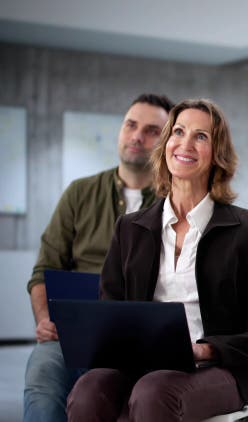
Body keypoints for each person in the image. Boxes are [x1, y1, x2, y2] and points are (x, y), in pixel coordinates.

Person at [65, 99, 248, 421]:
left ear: (217, 153)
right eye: (178, 132)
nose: (185, 144)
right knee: (88, 389)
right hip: (140, 366)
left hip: (218, 370)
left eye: (201, 136)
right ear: (166, 143)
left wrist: (206, 349)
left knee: (154, 391)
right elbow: (109, 310)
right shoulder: (129, 228)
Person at [23, 93, 173, 422]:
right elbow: (43, 270)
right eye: (131, 125)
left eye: (151, 131)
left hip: (143, 338)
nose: (137, 136)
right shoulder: (80, 193)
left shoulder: (175, 202)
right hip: (73, 333)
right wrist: (45, 319)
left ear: (166, 142)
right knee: (43, 380)